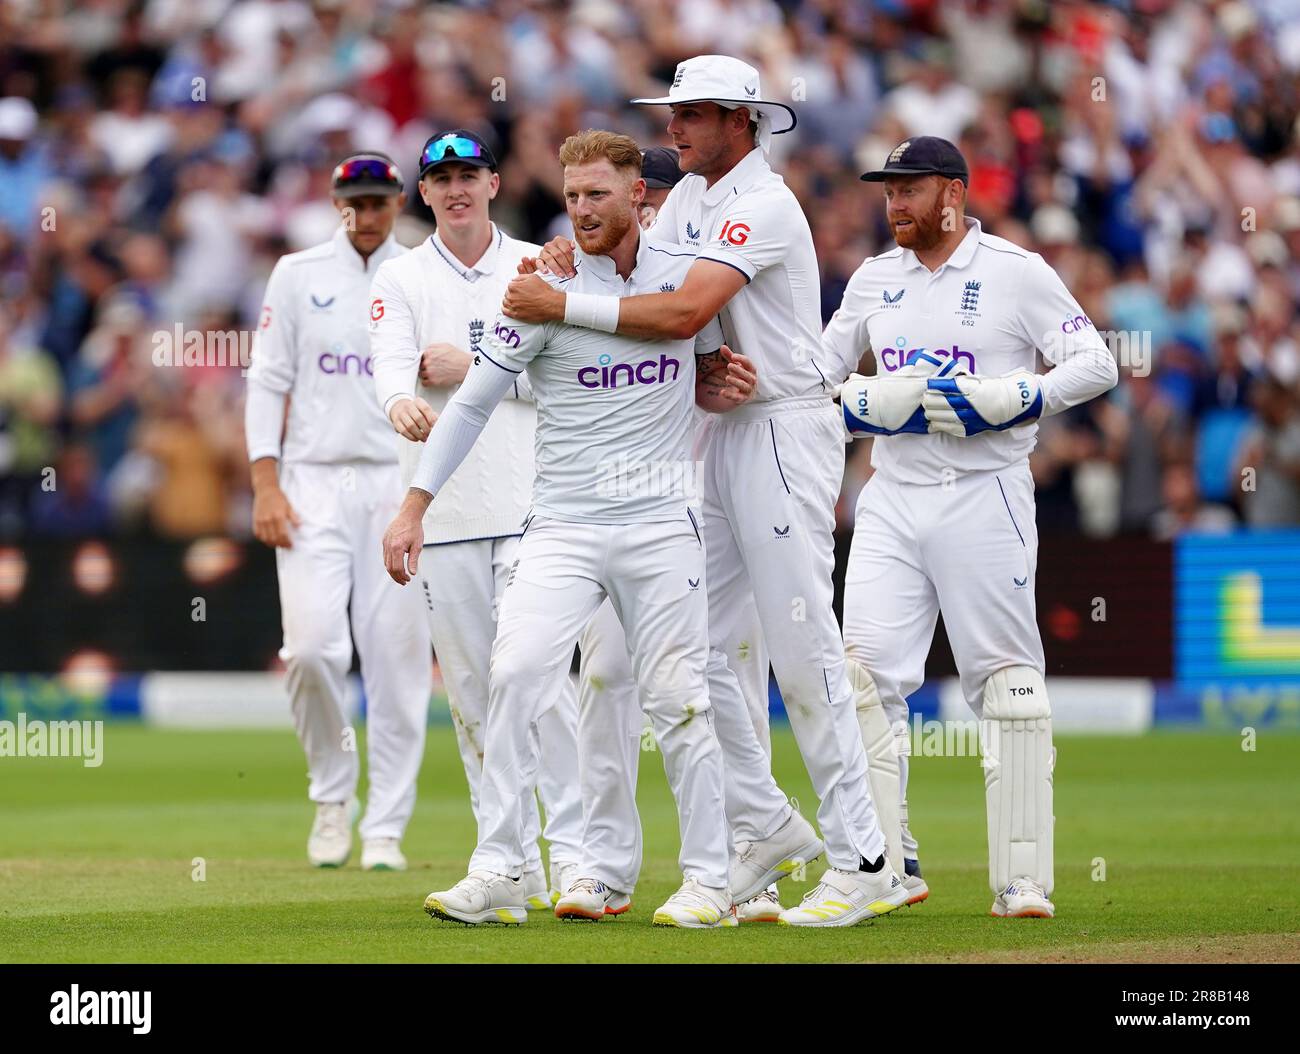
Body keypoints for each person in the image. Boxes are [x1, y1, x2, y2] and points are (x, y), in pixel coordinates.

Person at [506, 56, 904, 927]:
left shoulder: (763, 205)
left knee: (802, 653)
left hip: (784, 428)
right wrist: (575, 259)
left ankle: (865, 860)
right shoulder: (685, 200)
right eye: (674, 111)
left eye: (692, 114)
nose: (674, 127)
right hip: (717, 430)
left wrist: (559, 306)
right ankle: (760, 825)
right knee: (694, 655)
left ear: (742, 121)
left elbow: (684, 313)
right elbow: (654, 296)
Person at [382, 129, 760, 928]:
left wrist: (722, 383)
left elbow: (711, 354)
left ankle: (707, 879)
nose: (582, 209)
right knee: (516, 676)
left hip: (661, 517)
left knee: (676, 699)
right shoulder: (534, 289)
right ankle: (502, 869)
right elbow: (475, 403)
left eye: (598, 194)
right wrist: (414, 504)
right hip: (561, 521)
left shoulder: (684, 279)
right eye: (572, 195)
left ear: (638, 196)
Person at [827, 136, 1119, 917]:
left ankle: (1021, 879)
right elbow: (816, 378)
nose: (894, 204)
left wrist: (1015, 396)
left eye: (910, 190)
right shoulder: (873, 278)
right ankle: (883, 866)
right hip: (891, 495)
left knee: (1010, 688)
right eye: (888, 191)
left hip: (985, 491)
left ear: (952, 193)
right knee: (861, 680)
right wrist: (860, 404)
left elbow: (1096, 363)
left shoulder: (1016, 272)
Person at [368, 129, 584, 908]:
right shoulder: (399, 275)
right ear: (422, 193)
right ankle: (508, 870)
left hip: (535, 507)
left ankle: (579, 861)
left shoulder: (537, 264)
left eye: (469, 175)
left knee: (540, 687)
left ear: (495, 183)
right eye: (441, 178)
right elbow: (390, 361)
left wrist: (473, 371)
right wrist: (398, 399)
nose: (456, 189)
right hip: (446, 512)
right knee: (472, 697)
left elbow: (571, 381)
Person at [244, 153, 431, 871]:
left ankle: (385, 825)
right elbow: (267, 381)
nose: (367, 214)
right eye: (355, 201)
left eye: (379, 201)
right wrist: (266, 482)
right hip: (313, 480)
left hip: (397, 481)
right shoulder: (297, 274)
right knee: (314, 649)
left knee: (397, 660)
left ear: (396, 202)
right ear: (334, 202)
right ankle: (332, 796)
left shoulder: (417, 270)